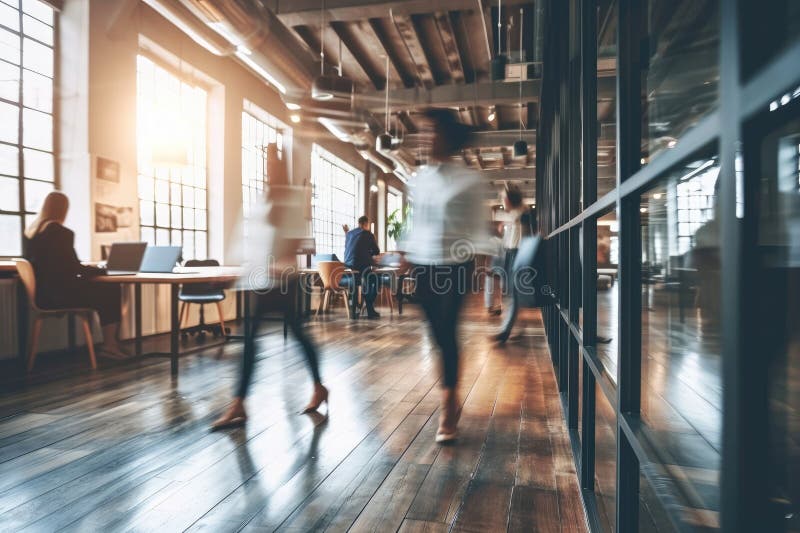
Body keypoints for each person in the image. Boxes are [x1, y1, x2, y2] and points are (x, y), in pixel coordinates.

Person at [212, 143, 328, 430]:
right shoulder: (262, 201)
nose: (268, 168)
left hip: (285, 284)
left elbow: (292, 247)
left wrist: (275, 263)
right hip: (260, 282)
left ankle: (317, 387)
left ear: (281, 168)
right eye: (266, 162)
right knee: (251, 339)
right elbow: (250, 240)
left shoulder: (290, 201)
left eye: (273, 163)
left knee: (299, 336)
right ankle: (239, 403)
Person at [402, 108, 491, 443]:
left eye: (431, 131)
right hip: (422, 265)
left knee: (448, 333)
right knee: (436, 335)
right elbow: (413, 224)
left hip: (455, 266)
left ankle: (448, 404)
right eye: (423, 132)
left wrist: (480, 270)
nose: (425, 138)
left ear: (448, 138)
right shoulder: (418, 180)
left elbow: (479, 230)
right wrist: (405, 257)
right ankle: (449, 397)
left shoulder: (470, 181)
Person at [23, 191, 127, 359]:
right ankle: (110, 345)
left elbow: (60, 267)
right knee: (111, 287)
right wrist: (104, 270)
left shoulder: (31, 233)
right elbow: (75, 269)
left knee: (104, 289)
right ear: (64, 210)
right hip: (60, 296)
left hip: (42, 296)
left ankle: (111, 344)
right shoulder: (62, 232)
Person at [493, 209, 540, 344]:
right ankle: (517, 326)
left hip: (517, 254)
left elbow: (530, 234)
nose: (503, 201)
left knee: (513, 293)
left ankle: (506, 331)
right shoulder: (513, 216)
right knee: (510, 292)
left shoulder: (522, 214)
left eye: (504, 198)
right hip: (509, 254)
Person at [341, 216, 381, 319]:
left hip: (347, 268)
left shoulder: (349, 234)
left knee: (366, 282)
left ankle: (364, 308)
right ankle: (369, 307)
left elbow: (350, 249)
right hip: (361, 266)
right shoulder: (368, 234)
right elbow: (376, 251)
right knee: (376, 280)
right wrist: (369, 252)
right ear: (366, 224)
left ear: (359, 223)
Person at [496, 184, 527, 291]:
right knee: (510, 279)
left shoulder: (518, 213)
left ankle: (514, 301)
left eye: (504, 198)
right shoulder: (514, 214)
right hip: (510, 249)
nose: (503, 200)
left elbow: (512, 217)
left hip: (515, 249)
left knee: (513, 279)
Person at [484, 222, 505, 316]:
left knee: (489, 287)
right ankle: (498, 306)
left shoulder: (490, 241)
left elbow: (489, 255)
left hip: (492, 265)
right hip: (500, 266)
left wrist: (487, 266)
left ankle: (490, 308)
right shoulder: (501, 241)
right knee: (497, 288)